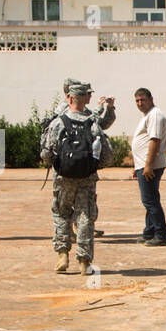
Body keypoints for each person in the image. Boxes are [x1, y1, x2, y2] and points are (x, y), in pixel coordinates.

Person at [41, 82, 112, 274]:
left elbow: (46, 153)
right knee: (85, 217)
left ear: (69, 98)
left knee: (61, 213)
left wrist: (57, 164)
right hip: (87, 179)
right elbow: (106, 155)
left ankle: (62, 254)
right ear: (86, 99)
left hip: (63, 178)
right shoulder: (93, 123)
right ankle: (83, 261)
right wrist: (92, 167)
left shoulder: (58, 122)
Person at [50, 78, 115, 237]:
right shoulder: (66, 110)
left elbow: (103, 123)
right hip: (67, 167)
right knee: (68, 205)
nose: (90, 96)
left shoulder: (85, 112)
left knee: (78, 204)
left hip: (80, 165)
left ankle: (80, 229)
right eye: (87, 93)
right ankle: (76, 232)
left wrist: (109, 108)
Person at [132, 87, 166, 246]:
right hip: (144, 164)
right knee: (150, 199)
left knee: (150, 200)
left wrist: (147, 165)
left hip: (151, 165)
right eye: (137, 101)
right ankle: (150, 231)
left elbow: (154, 140)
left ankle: (161, 235)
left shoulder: (155, 115)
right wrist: (138, 165)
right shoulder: (147, 115)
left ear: (151, 99)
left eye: (143, 100)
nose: (140, 103)